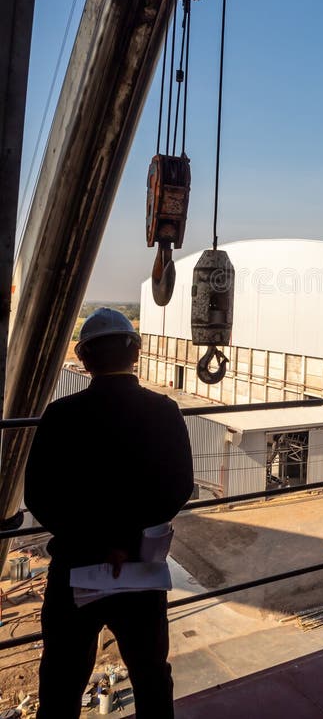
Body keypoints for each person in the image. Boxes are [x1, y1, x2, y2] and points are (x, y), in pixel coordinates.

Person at [24, 307, 194, 718]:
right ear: (135, 351)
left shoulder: (61, 415)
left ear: (83, 358)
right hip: (140, 566)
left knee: (62, 678)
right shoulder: (163, 411)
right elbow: (178, 487)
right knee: (151, 675)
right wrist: (124, 542)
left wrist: (99, 543)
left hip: (76, 566)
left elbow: (38, 495)